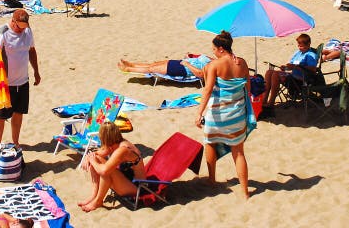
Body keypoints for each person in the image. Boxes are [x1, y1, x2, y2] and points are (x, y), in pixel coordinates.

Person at [194, 31, 251, 199]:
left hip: (218, 114)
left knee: (210, 143)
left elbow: (208, 90)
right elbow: (247, 89)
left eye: (213, 49)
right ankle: (245, 192)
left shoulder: (215, 66)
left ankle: (212, 180)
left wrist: (199, 113)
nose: (212, 52)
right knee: (239, 152)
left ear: (220, 49)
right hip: (237, 113)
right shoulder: (243, 63)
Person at [0, 10, 40, 147]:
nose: (22, 31)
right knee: (0, 116)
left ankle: (15, 142)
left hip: (23, 81)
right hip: (6, 84)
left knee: (18, 114)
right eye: (19, 27)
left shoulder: (27, 32)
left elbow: (32, 51)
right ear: (13, 22)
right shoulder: (2, 33)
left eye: (24, 27)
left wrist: (36, 72)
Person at [78, 120, 146, 212]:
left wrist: (92, 160)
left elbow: (104, 171)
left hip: (137, 188)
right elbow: (99, 153)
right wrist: (89, 157)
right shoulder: (115, 142)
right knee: (97, 159)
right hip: (126, 180)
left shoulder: (123, 150)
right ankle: (94, 196)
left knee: (105, 169)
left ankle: (98, 201)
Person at [261, 33, 319, 115]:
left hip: (301, 80)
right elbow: (291, 66)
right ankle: (264, 100)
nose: (300, 48)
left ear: (309, 44)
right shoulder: (298, 53)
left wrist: (297, 66)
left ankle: (271, 102)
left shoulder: (310, 55)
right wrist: (285, 68)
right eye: (299, 45)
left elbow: (313, 69)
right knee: (269, 72)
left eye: (302, 46)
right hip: (293, 76)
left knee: (275, 75)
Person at [118, 53, 212, 78]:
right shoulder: (212, 59)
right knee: (152, 64)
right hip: (181, 62)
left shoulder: (214, 66)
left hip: (182, 68)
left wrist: (187, 64)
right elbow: (198, 57)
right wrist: (190, 56)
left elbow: (200, 74)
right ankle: (131, 64)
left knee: (152, 69)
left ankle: (128, 69)